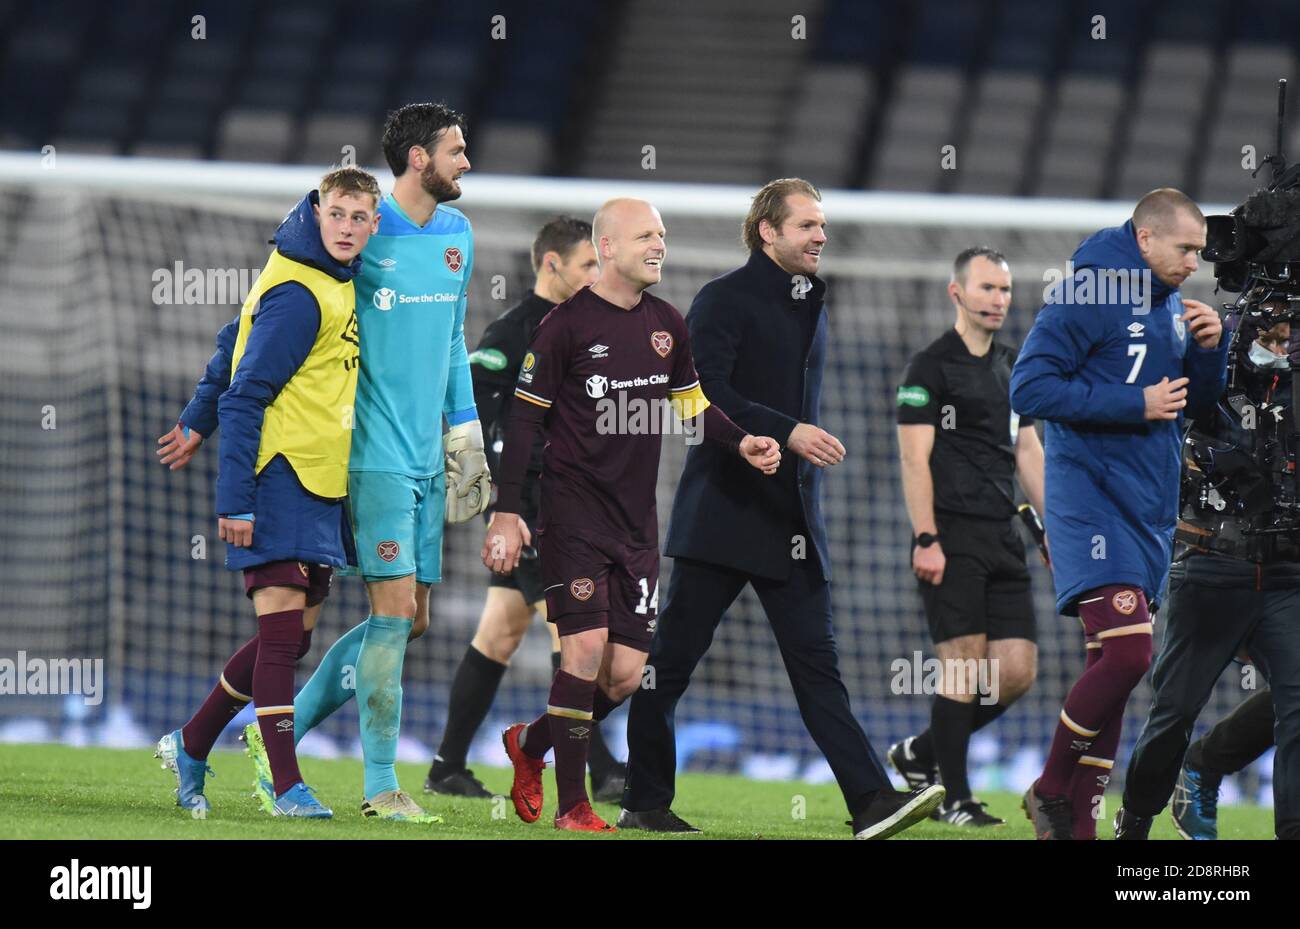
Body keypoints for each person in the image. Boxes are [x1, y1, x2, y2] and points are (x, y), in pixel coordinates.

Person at [619, 178, 946, 839]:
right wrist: (782, 431)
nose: (821, 235)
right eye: (807, 225)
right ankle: (645, 799)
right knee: (669, 665)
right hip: (722, 515)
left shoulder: (811, 305)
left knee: (818, 668)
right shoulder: (722, 299)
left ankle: (871, 804)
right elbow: (696, 390)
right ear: (769, 231)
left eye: (822, 225)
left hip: (790, 521)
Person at [487, 198, 783, 832]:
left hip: (635, 526)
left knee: (623, 677)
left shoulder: (667, 325)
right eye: (647, 235)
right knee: (584, 652)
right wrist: (508, 512)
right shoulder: (563, 327)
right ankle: (574, 808)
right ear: (610, 248)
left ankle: (530, 745)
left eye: (663, 235)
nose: (660, 244)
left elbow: (692, 407)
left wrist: (744, 440)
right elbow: (524, 419)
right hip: (571, 519)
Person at [238, 102, 484, 823]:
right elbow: (280, 295)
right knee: (391, 612)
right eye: (456, 150)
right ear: (418, 158)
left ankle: (270, 729)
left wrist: (464, 426)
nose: (465, 161)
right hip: (371, 455)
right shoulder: (360, 237)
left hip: (430, 454)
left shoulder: (459, 234)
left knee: (413, 619)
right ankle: (380, 784)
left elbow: (450, 338)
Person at [154, 166, 381, 818]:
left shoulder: (326, 276)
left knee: (296, 637)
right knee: (281, 639)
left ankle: (193, 741)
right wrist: (235, 499)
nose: (345, 227)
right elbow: (247, 388)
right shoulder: (302, 291)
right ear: (317, 209)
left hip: (319, 480)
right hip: (277, 476)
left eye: (359, 217)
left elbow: (235, 337)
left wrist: (197, 417)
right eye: (336, 213)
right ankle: (286, 787)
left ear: (372, 224)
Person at [1010, 187, 1227, 839]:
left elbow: (1198, 407)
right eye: (1186, 248)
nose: (1195, 262)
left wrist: (1209, 350)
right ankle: (1049, 787)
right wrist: (1135, 403)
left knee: (1113, 664)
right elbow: (1029, 387)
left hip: (1148, 507)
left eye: (1201, 252)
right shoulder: (1086, 294)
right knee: (1132, 656)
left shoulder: (1172, 308)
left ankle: (1075, 826)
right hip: (1090, 498)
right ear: (1144, 239)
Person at [423, 216, 625, 800]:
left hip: (576, 501)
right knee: (574, 630)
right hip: (534, 508)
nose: (597, 274)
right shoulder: (510, 336)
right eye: (588, 263)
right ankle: (603, 767)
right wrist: (501, 506)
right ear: (551, 264)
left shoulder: (591, 329)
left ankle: (445, 766)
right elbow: (484, 425)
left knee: (501, 632)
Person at [1116, 310, 1300, 840]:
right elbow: (1164, 447)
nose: (1282, 349)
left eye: (1290, 340)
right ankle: (1136, 821)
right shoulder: (1208, 378)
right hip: (1213, 567)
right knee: (1174, 712)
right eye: (1272, 338)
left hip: (1286, 574)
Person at [890, 246, 1043, 827]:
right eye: (986, 289)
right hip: (949, 535)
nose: (998, 300)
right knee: (961, 668)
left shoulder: (1013, 364)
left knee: (1017, 672)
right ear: (957, 293)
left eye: (1004, 290)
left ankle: (919, 754)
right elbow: (913, 461)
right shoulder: (929, 367)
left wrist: (1051, 532)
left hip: (1003, 535)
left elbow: (1028, 451)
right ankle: (956, 798)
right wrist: (925, 536)